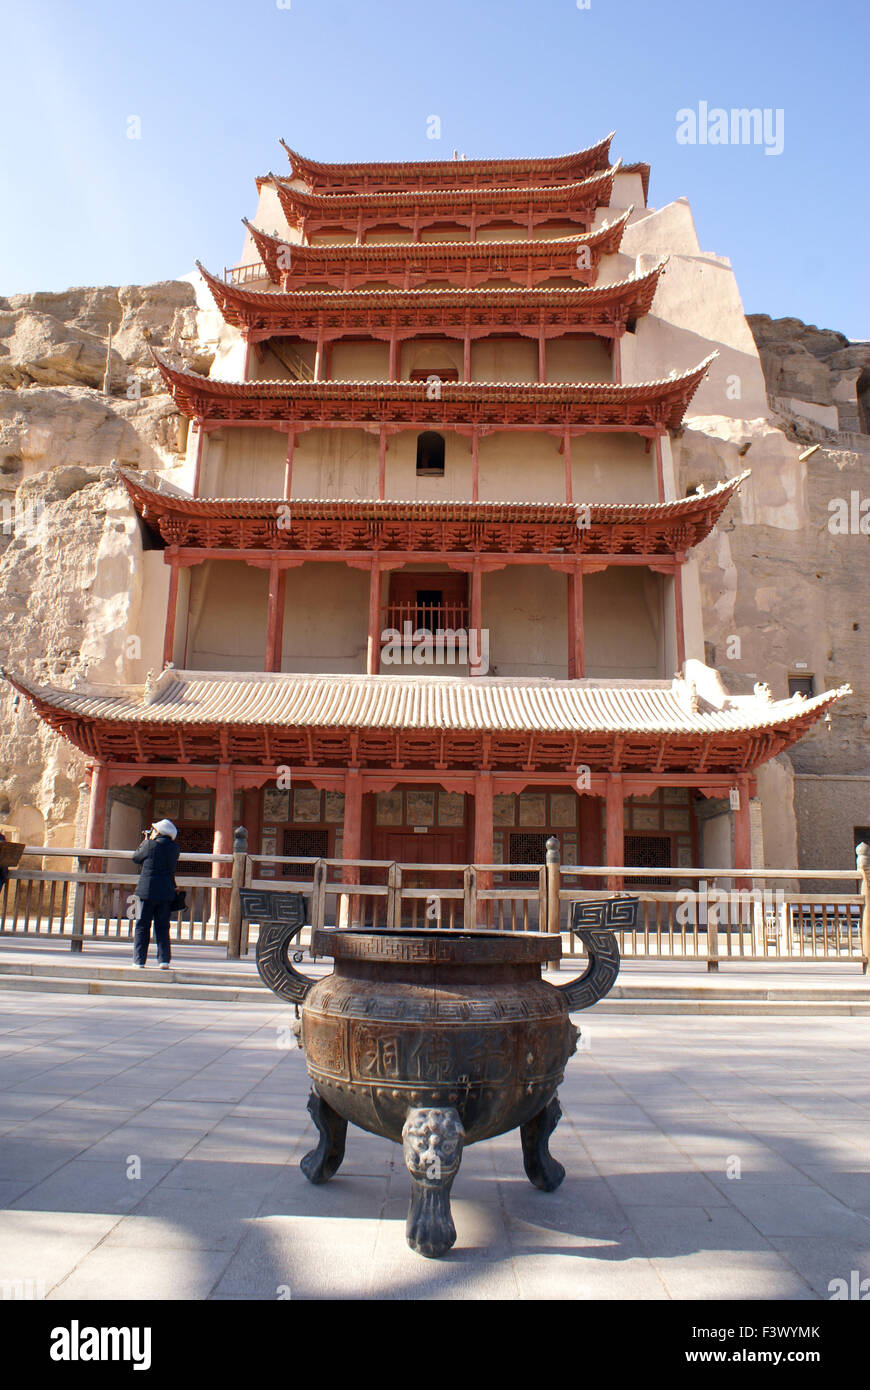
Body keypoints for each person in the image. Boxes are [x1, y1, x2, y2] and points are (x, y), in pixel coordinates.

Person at [131, 819, 180, 970]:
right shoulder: (174, 848)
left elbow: (136, 858)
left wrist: (145, 841)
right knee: (163, 927)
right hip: (166, 892)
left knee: (141, 926)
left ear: (158, 832)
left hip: (145, 892)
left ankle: (139, 961)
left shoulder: (149, 844)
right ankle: (164, 960)